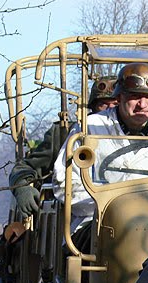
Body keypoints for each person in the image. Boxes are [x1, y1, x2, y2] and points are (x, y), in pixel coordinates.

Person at [53, 63, 148, 228]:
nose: (143, 104)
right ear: (119, 97)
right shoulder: (90, 128)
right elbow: (64, 183)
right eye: (135, 96)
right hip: (97, 225)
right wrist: (114, 206)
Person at [8, 75, 118, 218]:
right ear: (93, 107)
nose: (109, 110)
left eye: (115, 104)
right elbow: (25, 168)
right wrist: (22, 186)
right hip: (75, 219)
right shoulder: (67, 135)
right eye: (103, 104)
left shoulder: (144, 138)